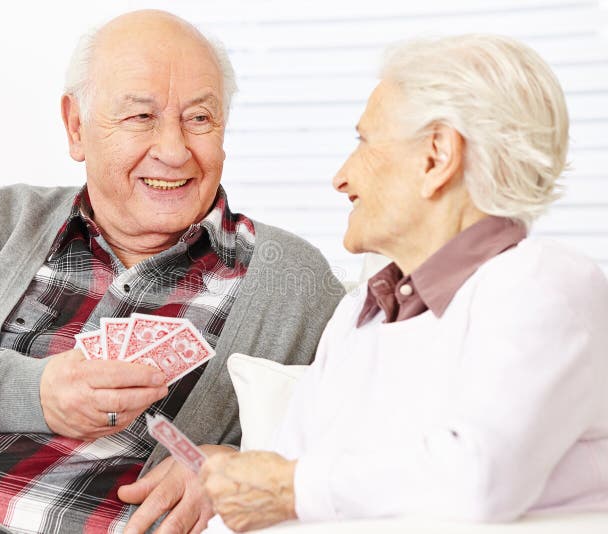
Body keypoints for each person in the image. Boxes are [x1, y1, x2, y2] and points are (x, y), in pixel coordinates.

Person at [0, 10, 343, 534]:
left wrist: (232, 464)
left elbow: (360, 441)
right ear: (75, 127)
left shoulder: (291, 281)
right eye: (140, 116)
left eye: (199, 118)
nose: (175, 150)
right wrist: (35, 391)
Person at [200, 34, 608, 532]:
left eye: (364, 142)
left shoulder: (542, 283)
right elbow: (268, 489)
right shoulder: (363, 312)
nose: (341, 178)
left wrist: (291, 488)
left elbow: (474, 480)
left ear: (436, 157)